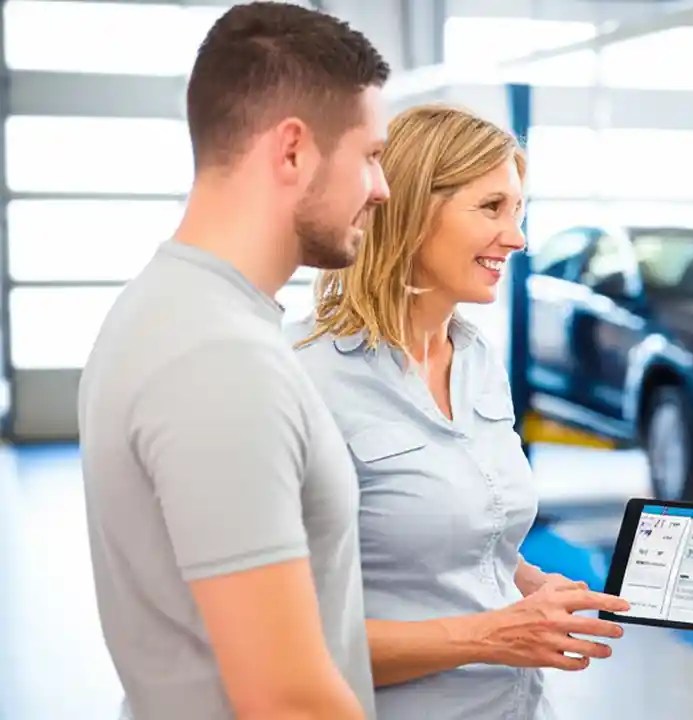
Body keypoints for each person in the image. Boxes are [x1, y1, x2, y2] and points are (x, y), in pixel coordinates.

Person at [77, 3, 391, 718]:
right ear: (292, 151)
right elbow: (286, 702)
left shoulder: (171, 312)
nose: (382, 189)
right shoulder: (220, 359)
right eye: (371, 155)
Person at [289, 103, 631, 720]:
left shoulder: (476, 358)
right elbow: (286, 649)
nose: (519, 237)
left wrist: (523, 580)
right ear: (413, 208)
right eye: (491, 208)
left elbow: (455, 528)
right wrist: (495, 633)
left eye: (519, 211)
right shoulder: (301, 376)